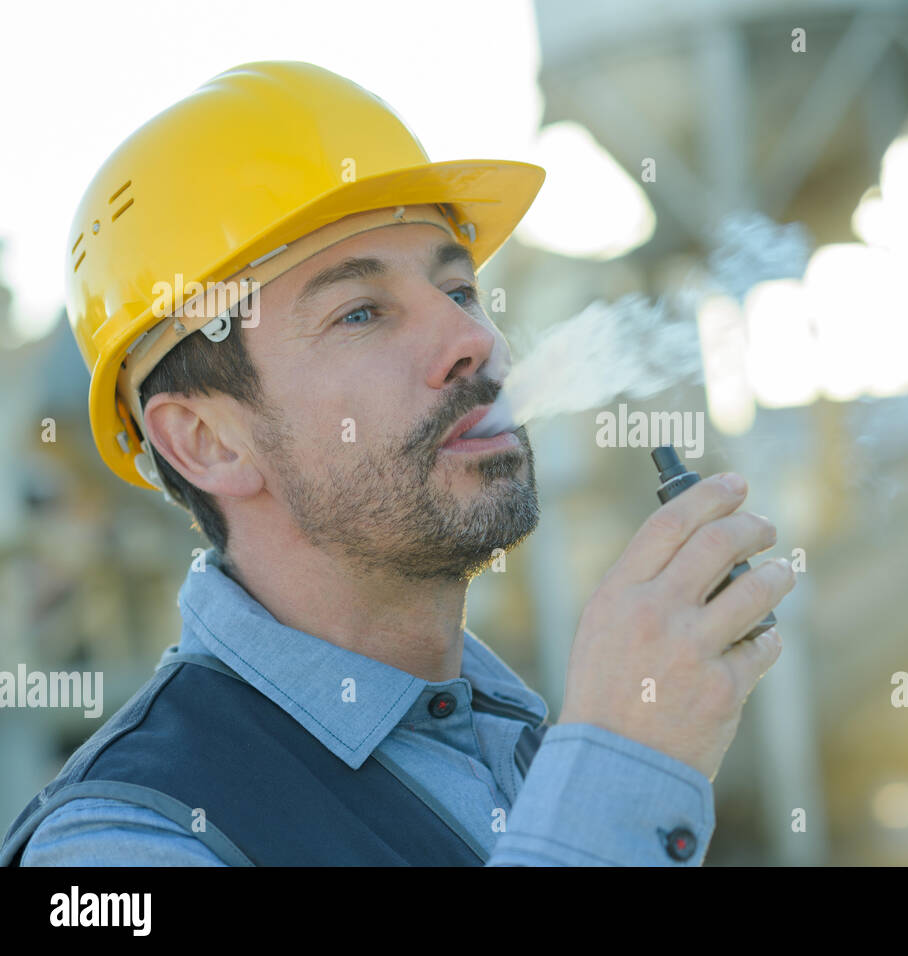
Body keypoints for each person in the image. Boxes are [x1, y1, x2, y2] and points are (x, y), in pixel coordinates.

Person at [0, 61, 793, 867]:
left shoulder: (518, 746)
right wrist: (619, 772)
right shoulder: (121, 843)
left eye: (457, 289)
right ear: (208, 441)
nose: (473, 341)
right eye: (361, 313)